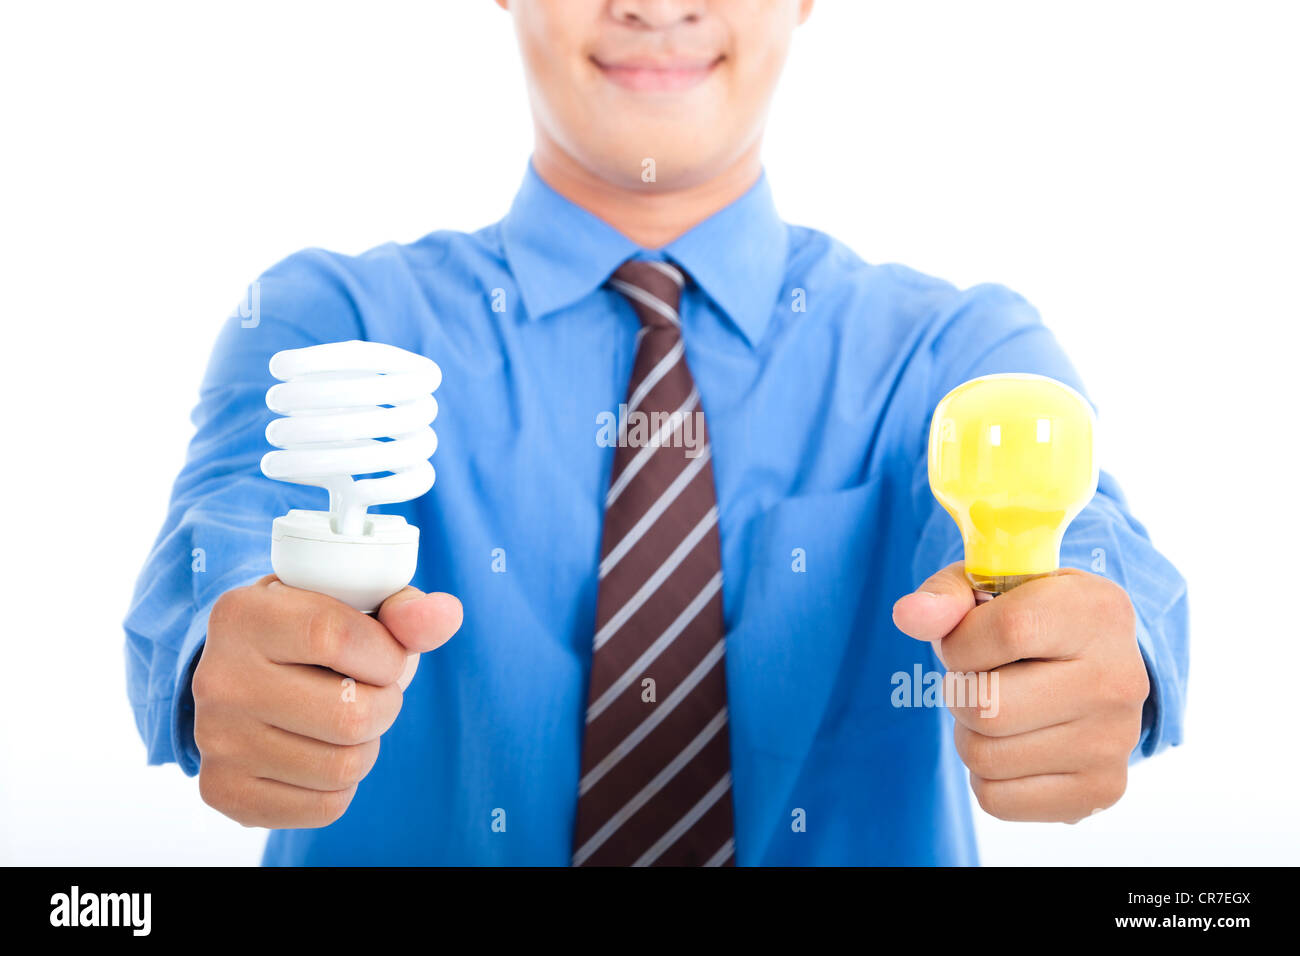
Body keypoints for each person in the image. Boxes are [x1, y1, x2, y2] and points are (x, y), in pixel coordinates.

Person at [124, 0, 1188, 866]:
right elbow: (220, 555)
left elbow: (1082, 534)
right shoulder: (333, 325)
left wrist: (1086, 641)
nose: (655, 4)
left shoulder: (955, 349)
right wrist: (235, 654)